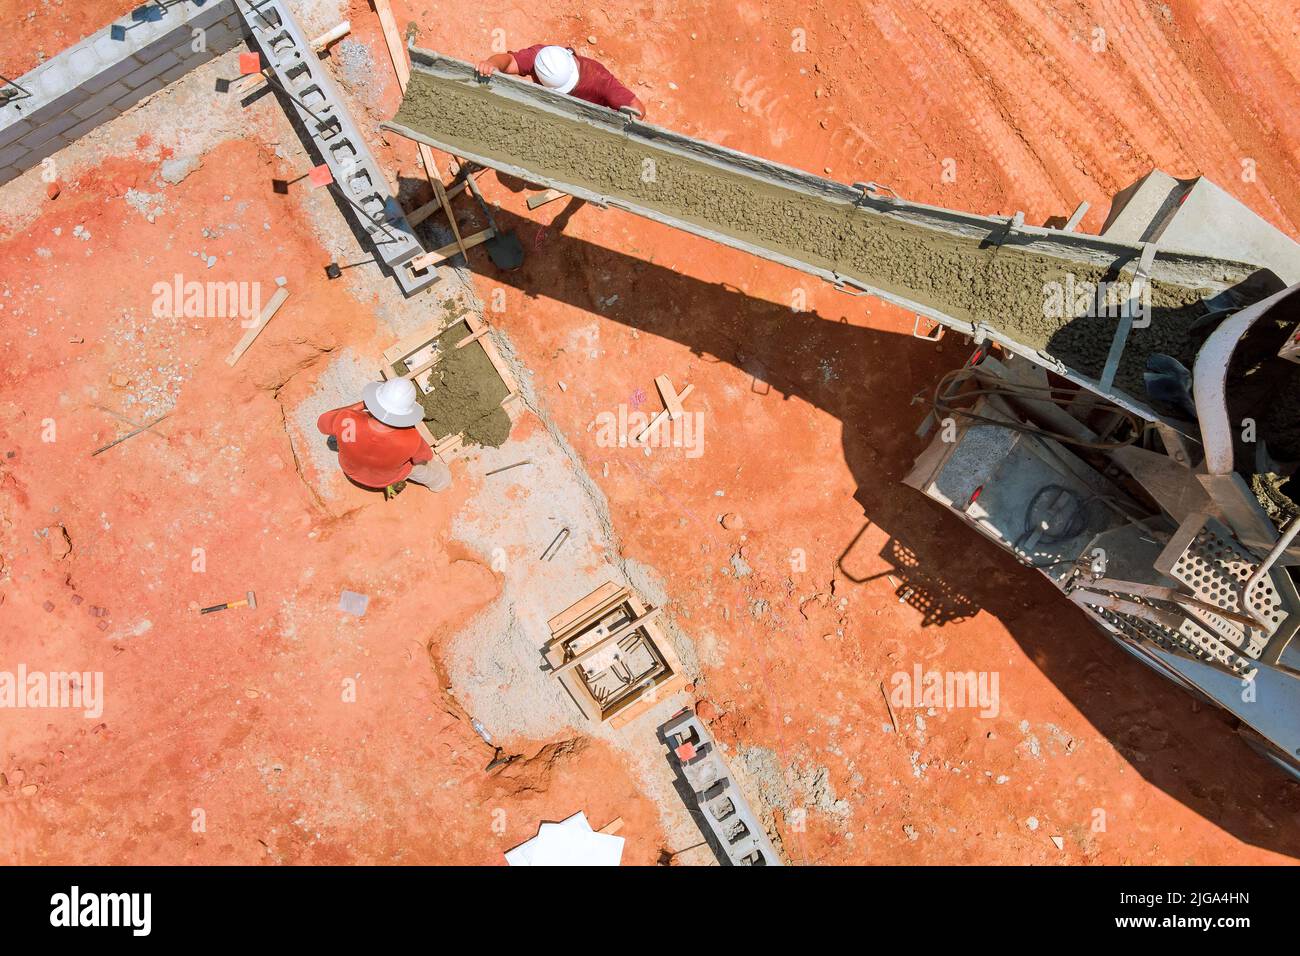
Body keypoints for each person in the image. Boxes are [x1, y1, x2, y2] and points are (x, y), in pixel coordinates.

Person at [317, 378, 450, 497]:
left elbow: (322, 424)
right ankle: (440, 482)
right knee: (423, 470)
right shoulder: (411, 438)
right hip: (386, 479)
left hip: (350, 469)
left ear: (375, 400)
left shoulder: (346, 419)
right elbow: (425, 456)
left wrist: (363, 404)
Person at [476, 44, 646, 117]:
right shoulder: (541, 58)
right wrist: (491, 64)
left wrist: (615, 125)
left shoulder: (599, 79)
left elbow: (637, 109)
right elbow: (509, 61)